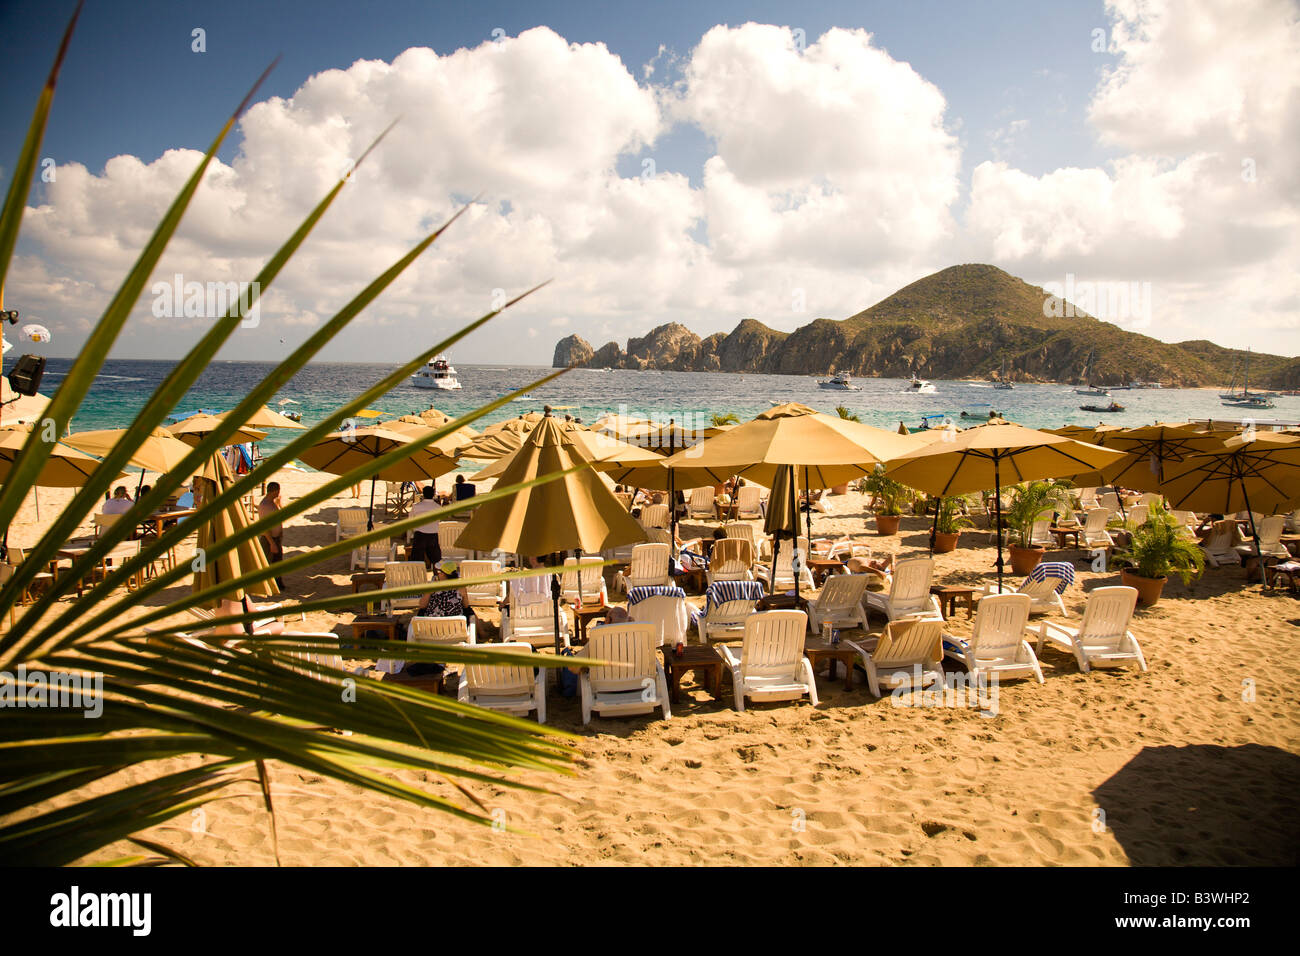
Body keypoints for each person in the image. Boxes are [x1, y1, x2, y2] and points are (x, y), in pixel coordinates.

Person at [257, 481, 285, 589]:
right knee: (269, 562)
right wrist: (272, 543)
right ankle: (270, 585)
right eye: (278, 491)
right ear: (275, 491)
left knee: (277, 562)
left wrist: (279, 503)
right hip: (270, 539)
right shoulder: (265, 506)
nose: (279, 493)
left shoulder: (272, 503)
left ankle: (277, 584)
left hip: (276, 538)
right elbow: (264, 527)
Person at [408, 485, 442, 568]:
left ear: (423, 494)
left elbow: (410, 522)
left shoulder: (416, 506)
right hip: (433, 536)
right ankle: (438, 577)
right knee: (436, 561)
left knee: (417, 561)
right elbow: (438, 521)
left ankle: (417, 578)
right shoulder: (438, 507)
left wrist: (409, 538)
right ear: (433, 494)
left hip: (420, 535)